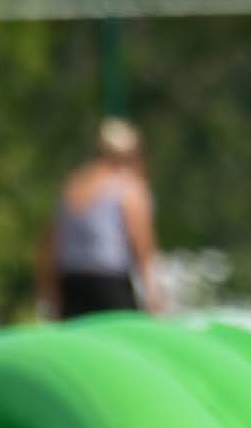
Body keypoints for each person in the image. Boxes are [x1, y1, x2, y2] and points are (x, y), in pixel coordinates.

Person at [36, 118, 165, 318]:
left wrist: (49, 291)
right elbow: (141, 241)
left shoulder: (74, 184)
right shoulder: (128, 185)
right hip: (110, 280)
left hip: (71, 281)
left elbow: (50, 244)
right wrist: (152, 292)